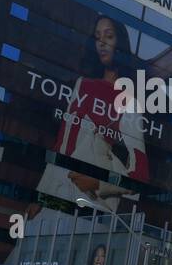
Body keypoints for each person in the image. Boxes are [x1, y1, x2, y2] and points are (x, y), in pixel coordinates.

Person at [38, 15, 149, 211]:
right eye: (98, 37)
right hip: (54, 193)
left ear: (120, 42)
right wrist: (38, 195)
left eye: (109, 36)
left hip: (90, 206)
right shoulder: (82, 84)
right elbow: (62, 143)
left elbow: (140, 175)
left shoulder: (130, 102)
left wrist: (98, 183)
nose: (102, 43)